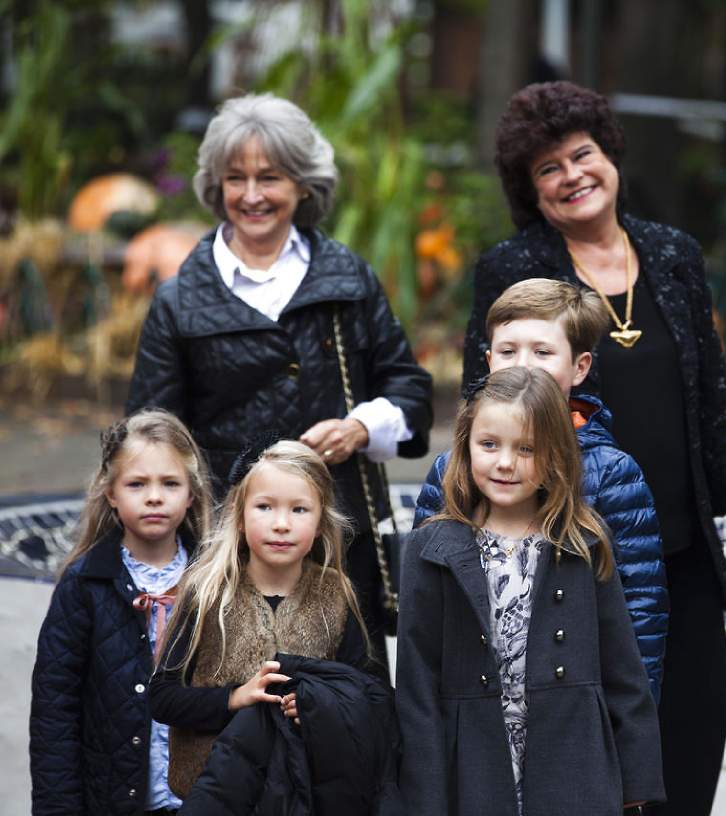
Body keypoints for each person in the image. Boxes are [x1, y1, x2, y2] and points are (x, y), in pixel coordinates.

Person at [464, 80, 726, 813]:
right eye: (548, 169)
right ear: (529, 189)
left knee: (698, 715)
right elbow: (491, 406)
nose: (572, 175)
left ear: (610, 155)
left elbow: (710, 398)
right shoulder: (512, 269)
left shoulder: (672, 254)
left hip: (681, 544)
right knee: (593, 738)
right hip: (568, 545)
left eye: (582, 155)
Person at [126, 93, 433, 673]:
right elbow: (149, 437)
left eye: (270, 176)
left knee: (345, 720)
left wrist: (362, 426)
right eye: (234, 177)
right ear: (215, 187)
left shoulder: (348, 278)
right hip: (227, 554)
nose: (251, 195)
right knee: (232, 727)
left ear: (303, 184)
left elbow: (411, 392)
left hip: (339, 548)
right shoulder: (178, 300)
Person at [397, 366, 664, 815]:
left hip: (573, 762)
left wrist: (636, 778)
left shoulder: (583, 543)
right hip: (470, 768)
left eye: (527, 449)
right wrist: (424, 794)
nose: (505, 462)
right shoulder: (430, 548)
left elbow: (624, 670)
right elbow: (416, 688)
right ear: (465, 444)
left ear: (556, 454)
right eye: (489, 445)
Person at [416, 277, 668, 700]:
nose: (523, 365)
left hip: (575, 702)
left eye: (543, 352)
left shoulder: (611, 472)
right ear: (488, 359)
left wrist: (630, 716)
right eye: (508, 351)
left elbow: (640, 605)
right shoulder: (453, 468)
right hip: (473, 700)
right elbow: (424, 603)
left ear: (580, 367)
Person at [149, 439, 376, 799]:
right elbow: (162, 698)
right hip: (215, 796)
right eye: (265, 507)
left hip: (305, 795)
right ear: (239, 517)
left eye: (299, 509)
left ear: (320, 521)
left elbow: (362, 695)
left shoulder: (335, 594)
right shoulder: (207, 592)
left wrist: (318, 709)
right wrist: (234, 698)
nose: (281, 524)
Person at [30, 409, 213, 815]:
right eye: (136, 483)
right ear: (111, 493)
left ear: (192, 493)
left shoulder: (215, 579)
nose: (153, 496)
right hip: (113, 799)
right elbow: (54, 711)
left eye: (170, 483)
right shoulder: (85, 584)